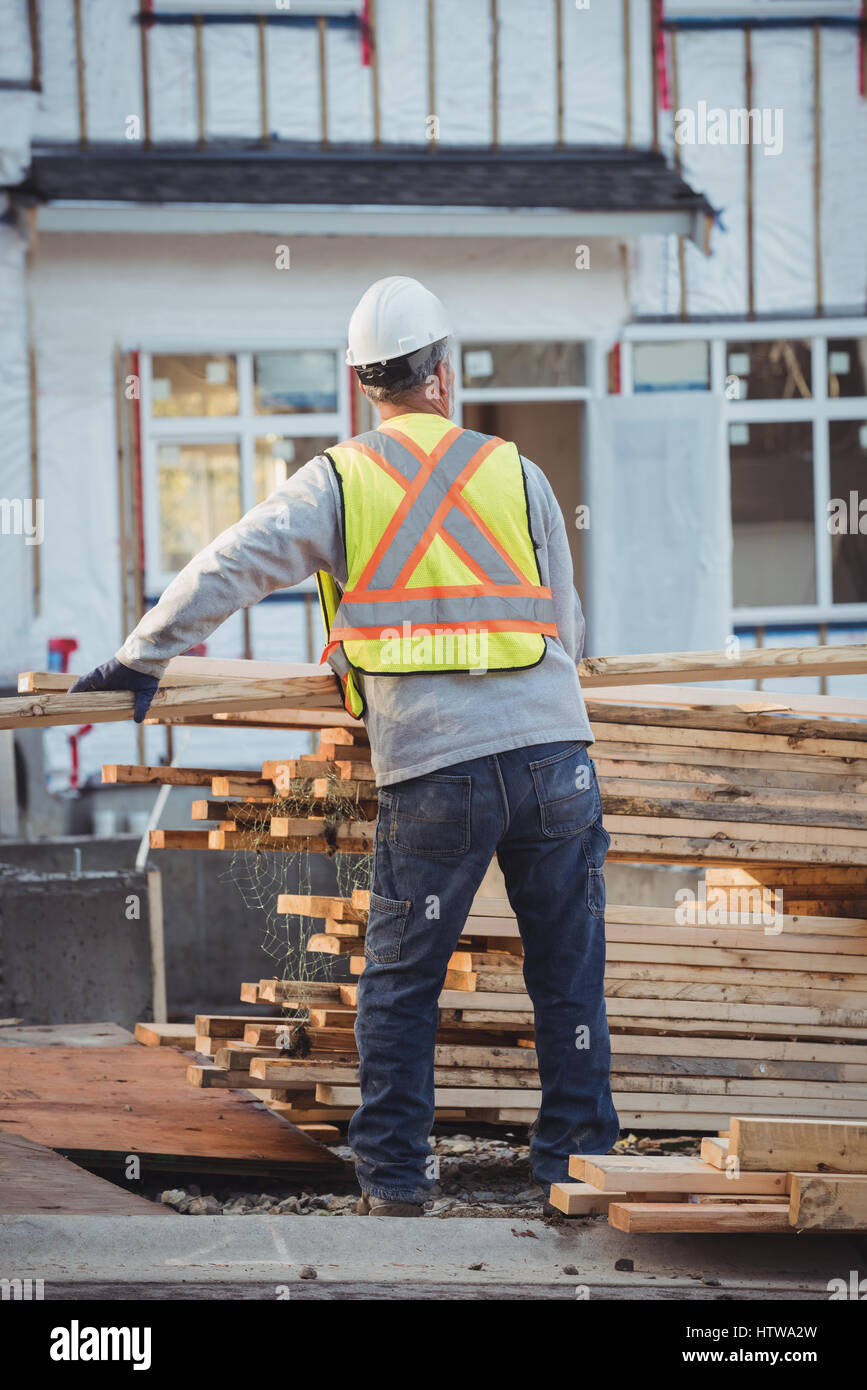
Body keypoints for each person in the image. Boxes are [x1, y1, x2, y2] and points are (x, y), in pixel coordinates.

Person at [72, 276, 620, 1214]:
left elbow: (232, 564)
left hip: (438, 767)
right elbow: (564, 625)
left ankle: (398, 1183)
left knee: (403, 984)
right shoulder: (516, 471)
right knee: (567, 977)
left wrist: (140, 656)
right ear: (441, 376)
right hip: (552, 756)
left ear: (363, 383)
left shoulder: (339, 479)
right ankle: (572, 1167)